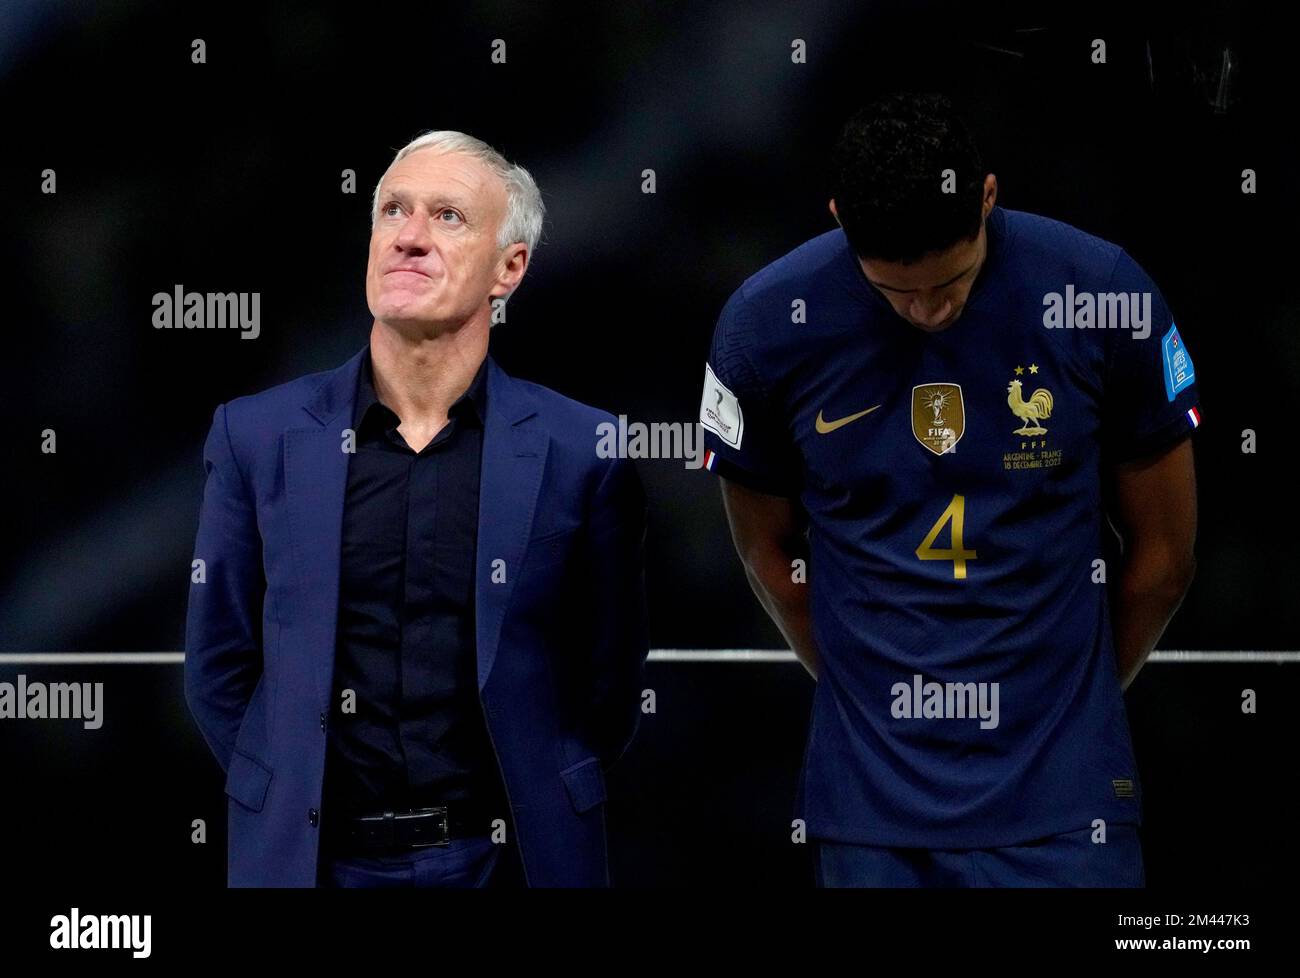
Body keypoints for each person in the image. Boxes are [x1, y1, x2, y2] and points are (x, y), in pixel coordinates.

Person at [699, 93, 1199, 887]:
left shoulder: (1104, 294)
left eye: (952, 281)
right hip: (869, 813)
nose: (930, 312)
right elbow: (767, 554)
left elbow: (1165, 557)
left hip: (1068, 807)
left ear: (989, 197)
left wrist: (1074, 701)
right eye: (898, 293)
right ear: (838, 219)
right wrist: (872, 695)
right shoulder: (762, 328)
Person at [185, 130, 648, 887]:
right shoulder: (256, 434)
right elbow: (216, 666)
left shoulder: (583, 447)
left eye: (448, 217)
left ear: (511, 268)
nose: (409, 237)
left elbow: (609, 682)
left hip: (508, 864)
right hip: (311, 865)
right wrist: (285, 789)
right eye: (393, 211)